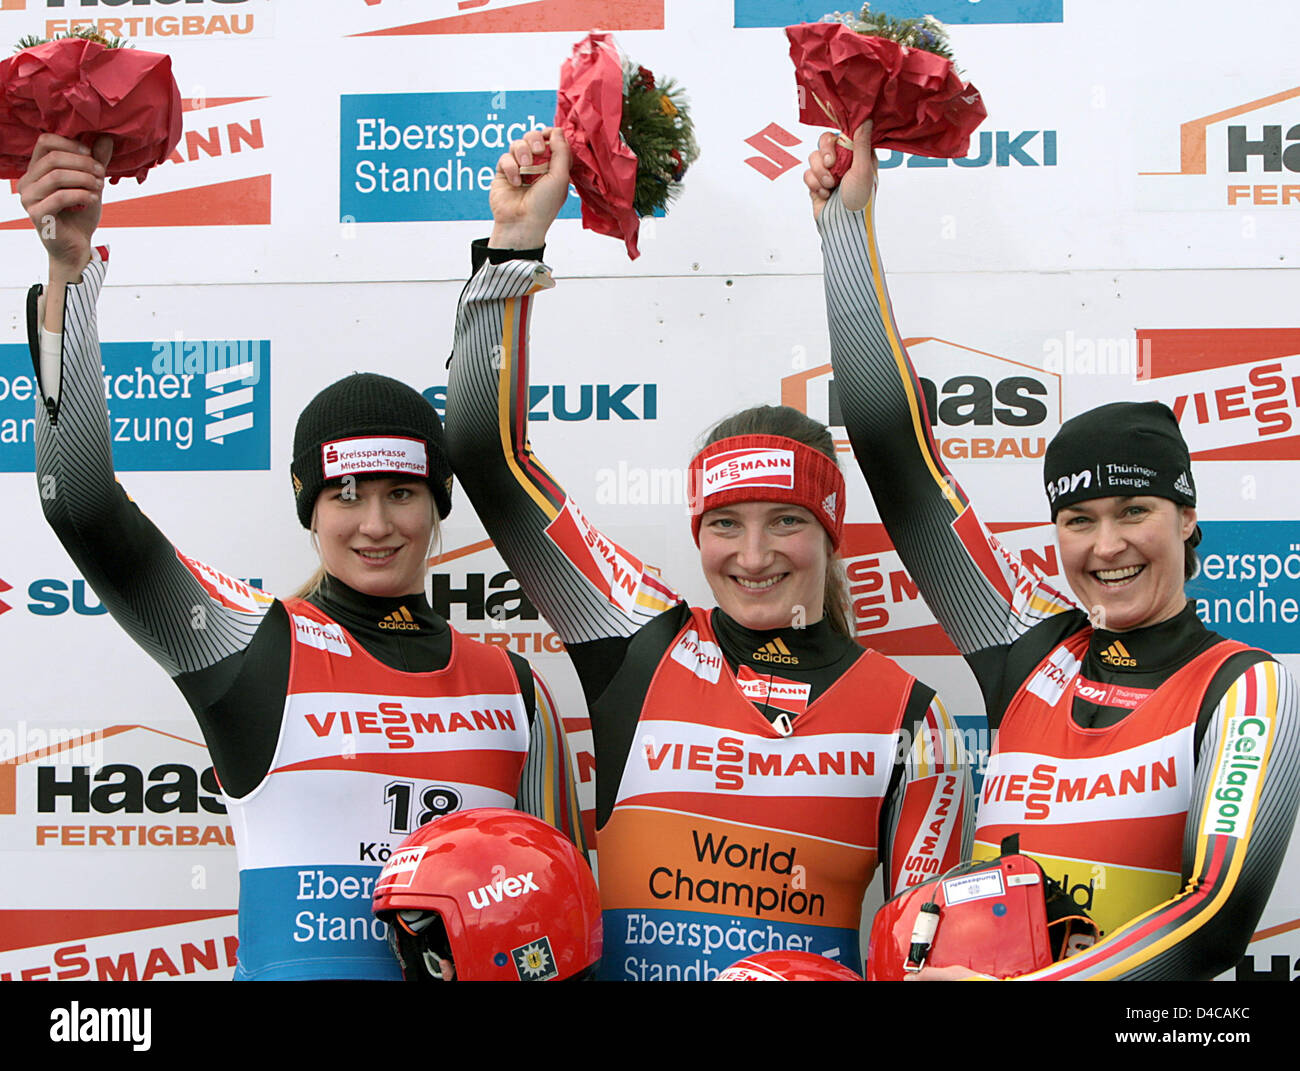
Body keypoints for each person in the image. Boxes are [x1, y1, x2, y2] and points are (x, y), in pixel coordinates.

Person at [18, 133, 584, 981]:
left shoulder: (514, 690)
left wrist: (513, 248)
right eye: (344, 496)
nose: (375, 523)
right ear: (306, 507)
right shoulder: (252, 646)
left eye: (402, 492)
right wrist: (69, 275)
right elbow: (84, 505)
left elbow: (564, 930)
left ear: (439, 506)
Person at [443, 129, 972, 980]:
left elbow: (938, 957)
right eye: (725, 523)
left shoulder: (916, 719)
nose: (754, 554)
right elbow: (484, 453)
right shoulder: (638, 642)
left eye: (786, 521)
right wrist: (513, 246)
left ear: (833, 533)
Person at [804, 122, 1300, 979]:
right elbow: (893, 449)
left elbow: (1217, 915)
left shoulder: (1244, 684)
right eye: (1079, 520)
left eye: (1134, 510)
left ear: (1186, 517)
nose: (1107, 545)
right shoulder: (1025, 642)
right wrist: (847, 228)